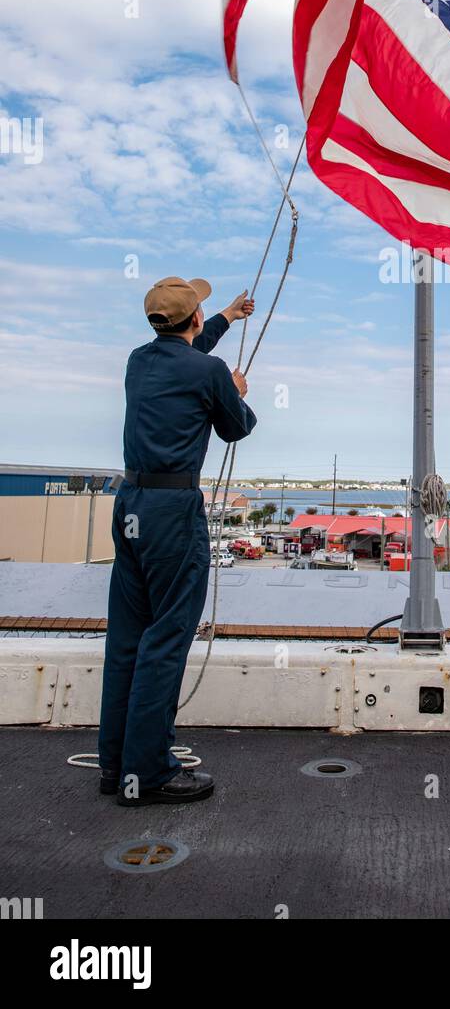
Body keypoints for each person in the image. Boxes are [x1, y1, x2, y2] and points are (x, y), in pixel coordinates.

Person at [98, 276, 257, 806]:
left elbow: (184, 356)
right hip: (172, 513)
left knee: (127, 640)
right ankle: (149, 773)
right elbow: (237, 428)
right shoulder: (209, 373)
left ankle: (117, 765)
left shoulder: (138, 362)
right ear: (192, 319)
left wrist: (228, 317)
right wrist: (234, 392)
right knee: (165, 640)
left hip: (131, 507)